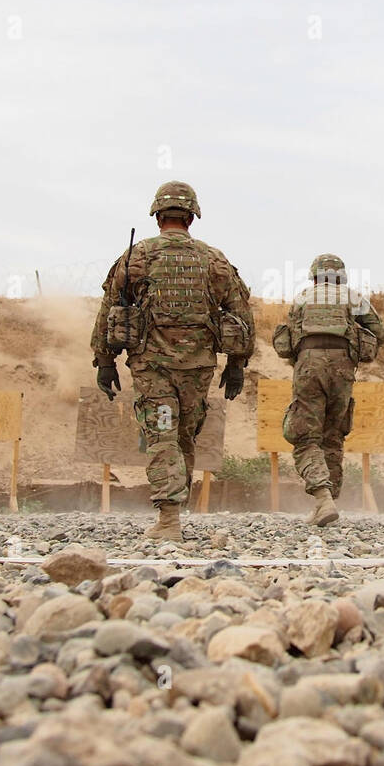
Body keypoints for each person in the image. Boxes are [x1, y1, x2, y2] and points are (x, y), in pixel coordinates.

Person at [90, 182, 254, 542]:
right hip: (197, 368)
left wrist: (105, 360)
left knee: (162, 434)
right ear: (192, 217)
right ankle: (174, 512)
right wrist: (237, 364)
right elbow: (241, 313)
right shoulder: (214, 260)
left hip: (153, 366)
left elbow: (109, 311)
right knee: (183, 437)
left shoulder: (138, 256)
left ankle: (168, 520)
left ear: (158, 216)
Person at [274, 254, 384, 526]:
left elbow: (289, 342)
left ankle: (322, 497)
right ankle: (330, 501)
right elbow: (379, 332)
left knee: (305, 436)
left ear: (314, 276)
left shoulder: (303, 297)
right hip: (343, 367)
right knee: (333, 435)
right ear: (341, 276)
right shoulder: (353, 297)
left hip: (309, 365)